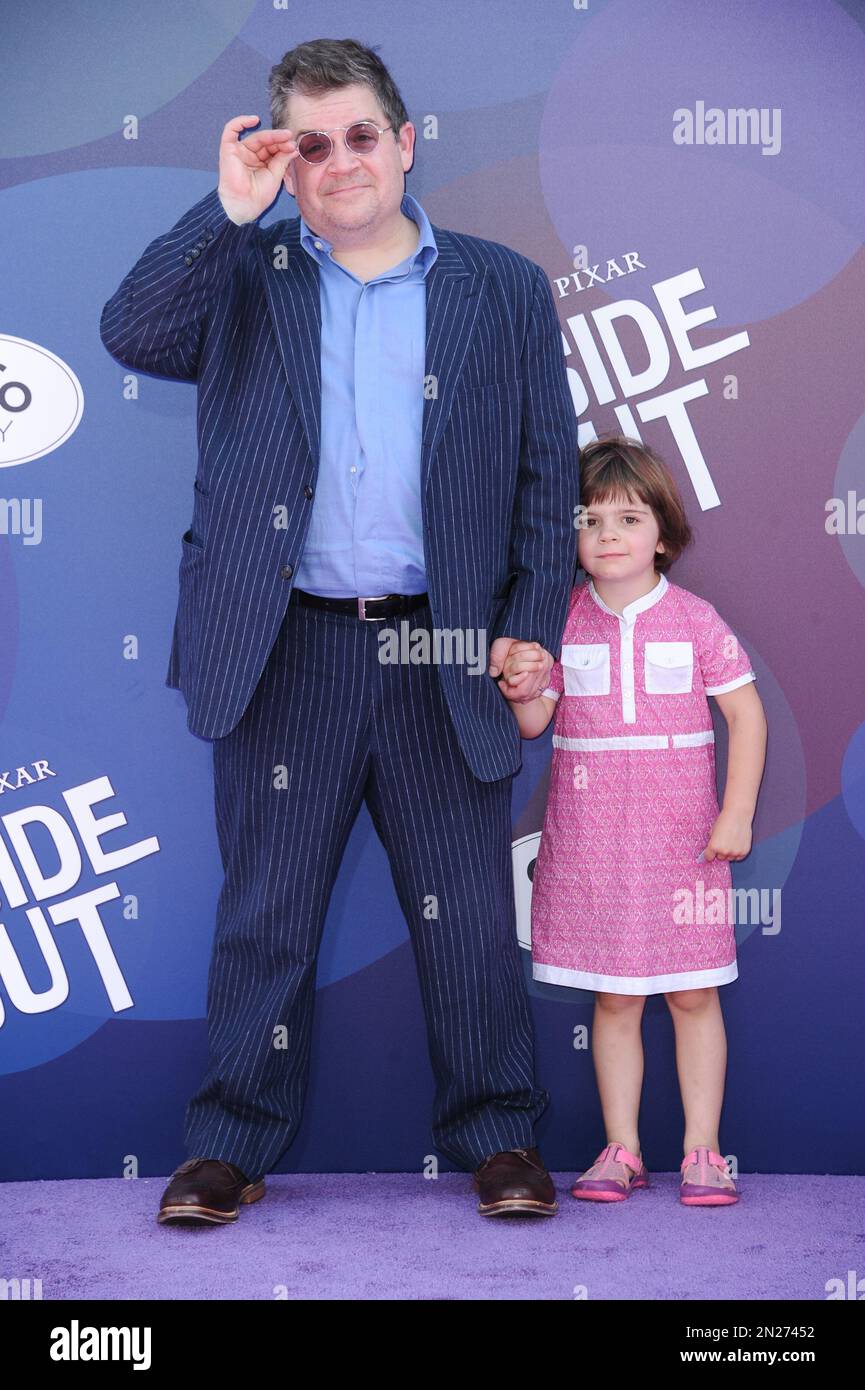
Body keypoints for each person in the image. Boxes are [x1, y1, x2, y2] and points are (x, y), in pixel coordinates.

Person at [99, 37, 580, 1225]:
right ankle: (229, 1142)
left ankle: (499, 1141)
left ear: (406, 143)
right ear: (283, 159)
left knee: (468, 917)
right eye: (309, 143)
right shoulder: (244, 272)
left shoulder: (503, 287)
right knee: (265, 915)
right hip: (285, 648)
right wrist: (225, 212)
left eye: (362, 134)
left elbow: (543, 479)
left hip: (442, 650)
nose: (340, 162)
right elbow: (130, 333)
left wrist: (524, 635)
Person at [499, 435, 767, 1206]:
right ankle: (620, 1148)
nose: (608, 535)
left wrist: (736, 812)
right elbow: (533, 723)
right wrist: (520, 682)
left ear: (663, 532)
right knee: (613, 999)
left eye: (627, 518)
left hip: (686, 848)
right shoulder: (559, 621)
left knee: (692, 995)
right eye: (589, 522)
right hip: (590, 848)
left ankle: (703, 1152)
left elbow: (746, 719)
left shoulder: (694, 619)